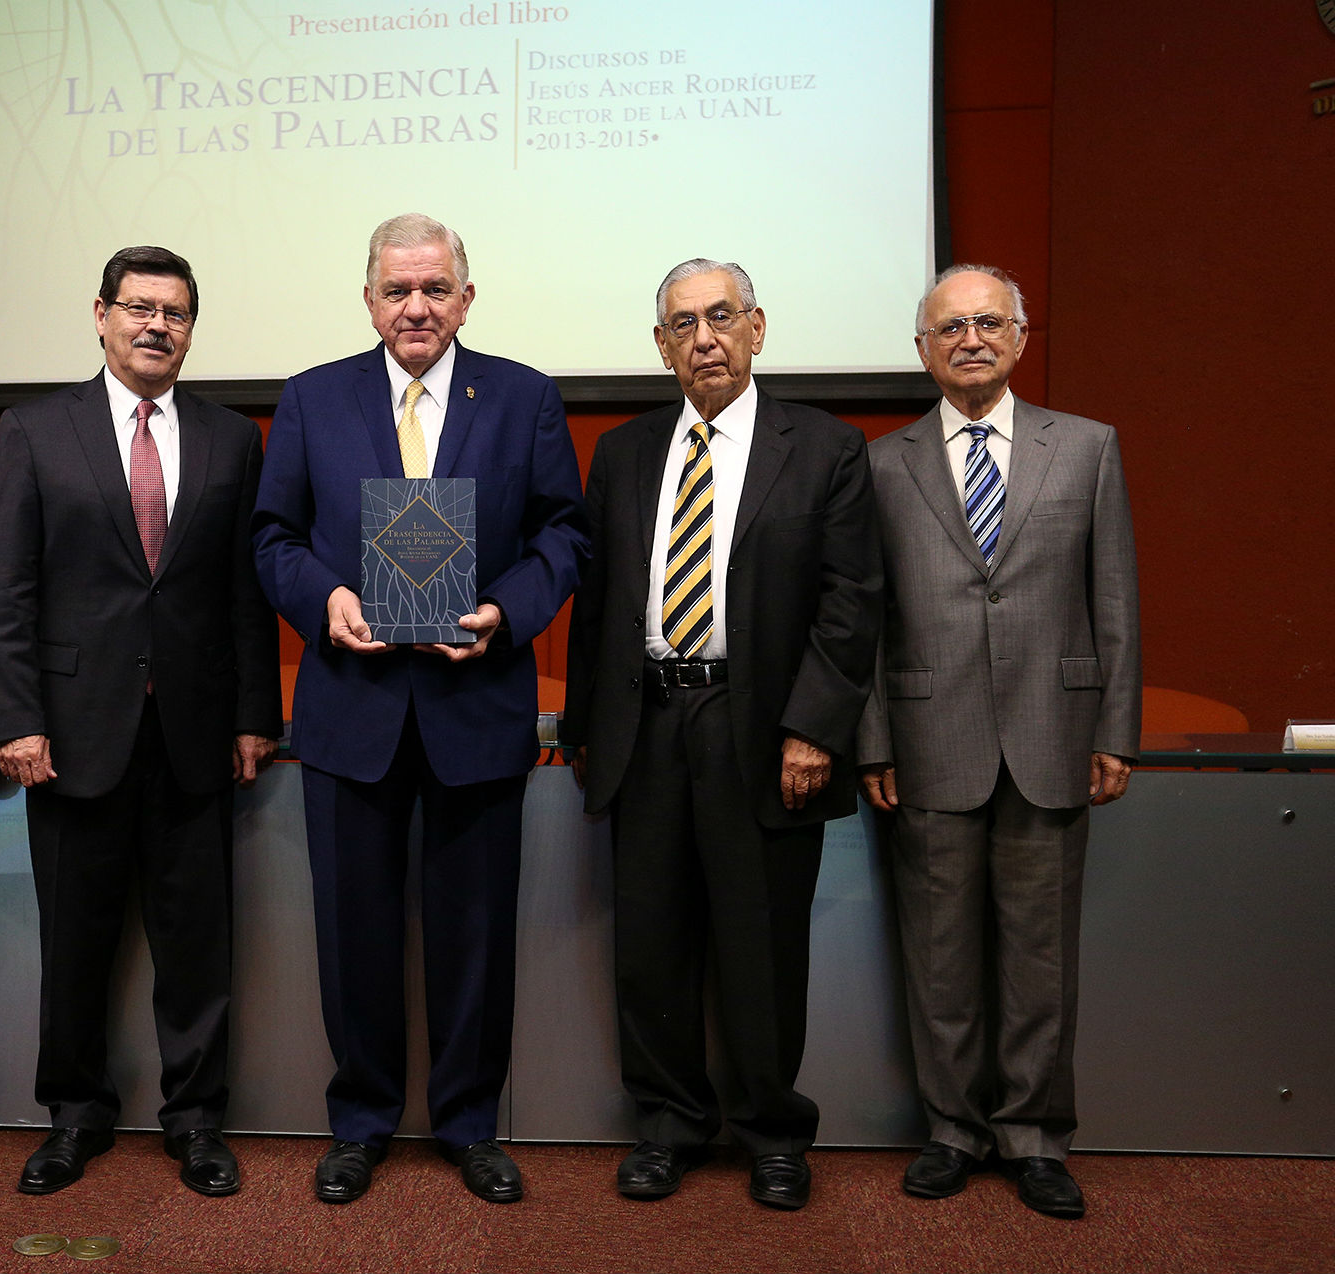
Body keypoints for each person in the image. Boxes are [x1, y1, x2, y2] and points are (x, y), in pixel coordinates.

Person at [252, 213, 587, 1206]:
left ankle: (468, 1122)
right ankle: (357, 1122)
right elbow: (272, 535)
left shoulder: (521, 395)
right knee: (352, 934)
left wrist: (501, 612)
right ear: (367, 298)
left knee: (473, 932)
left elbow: (562, 534)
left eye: (434, 288)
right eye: (396, 289)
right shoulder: (313, 397)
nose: (415, 306)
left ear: (465, 297)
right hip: (350, 708)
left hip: (475, 702)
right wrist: (325, 599)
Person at [562, 258, 881, 1211]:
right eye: (682, 324)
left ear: (758, 328)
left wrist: (814, 729)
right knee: (651, 943)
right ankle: (667, 1124)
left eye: (721, 317)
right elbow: (599, 602)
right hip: (648, 722)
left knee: (762, 944)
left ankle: (773, 1133)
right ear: (660, 346)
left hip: (763, 728)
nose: (704, 337)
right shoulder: (622, 452)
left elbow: (851, 601)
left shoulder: (824, 449)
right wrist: (586, 728)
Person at [0, 246, 282, 1198]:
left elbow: (244, 592)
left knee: (198, 947)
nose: (158, 325)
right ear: (102, 315)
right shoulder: (35, 429)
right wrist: (17, 718)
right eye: (140, 308)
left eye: (177, 313)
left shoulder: (233, 439)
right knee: (75, 942)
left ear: (193, 328)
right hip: (70, 736)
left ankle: (196, 1122)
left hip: (195, 734)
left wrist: (252, 715)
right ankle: (74, 1116)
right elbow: (7, 592)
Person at [857, 264, 1139, 1220]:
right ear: (924, 351)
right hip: (928, 736)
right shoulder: (882, 463)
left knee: (1039, 956)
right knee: (938, 957)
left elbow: (1115, 601)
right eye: (950, 328)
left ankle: (1034, 1137)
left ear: (1020, 338)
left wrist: (1116, 728)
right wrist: (872, 739)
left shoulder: (1088, 448)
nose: (970, 340)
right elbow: (871, 617)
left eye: (988, 323)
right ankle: (952, 1131)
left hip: (1056, 732)